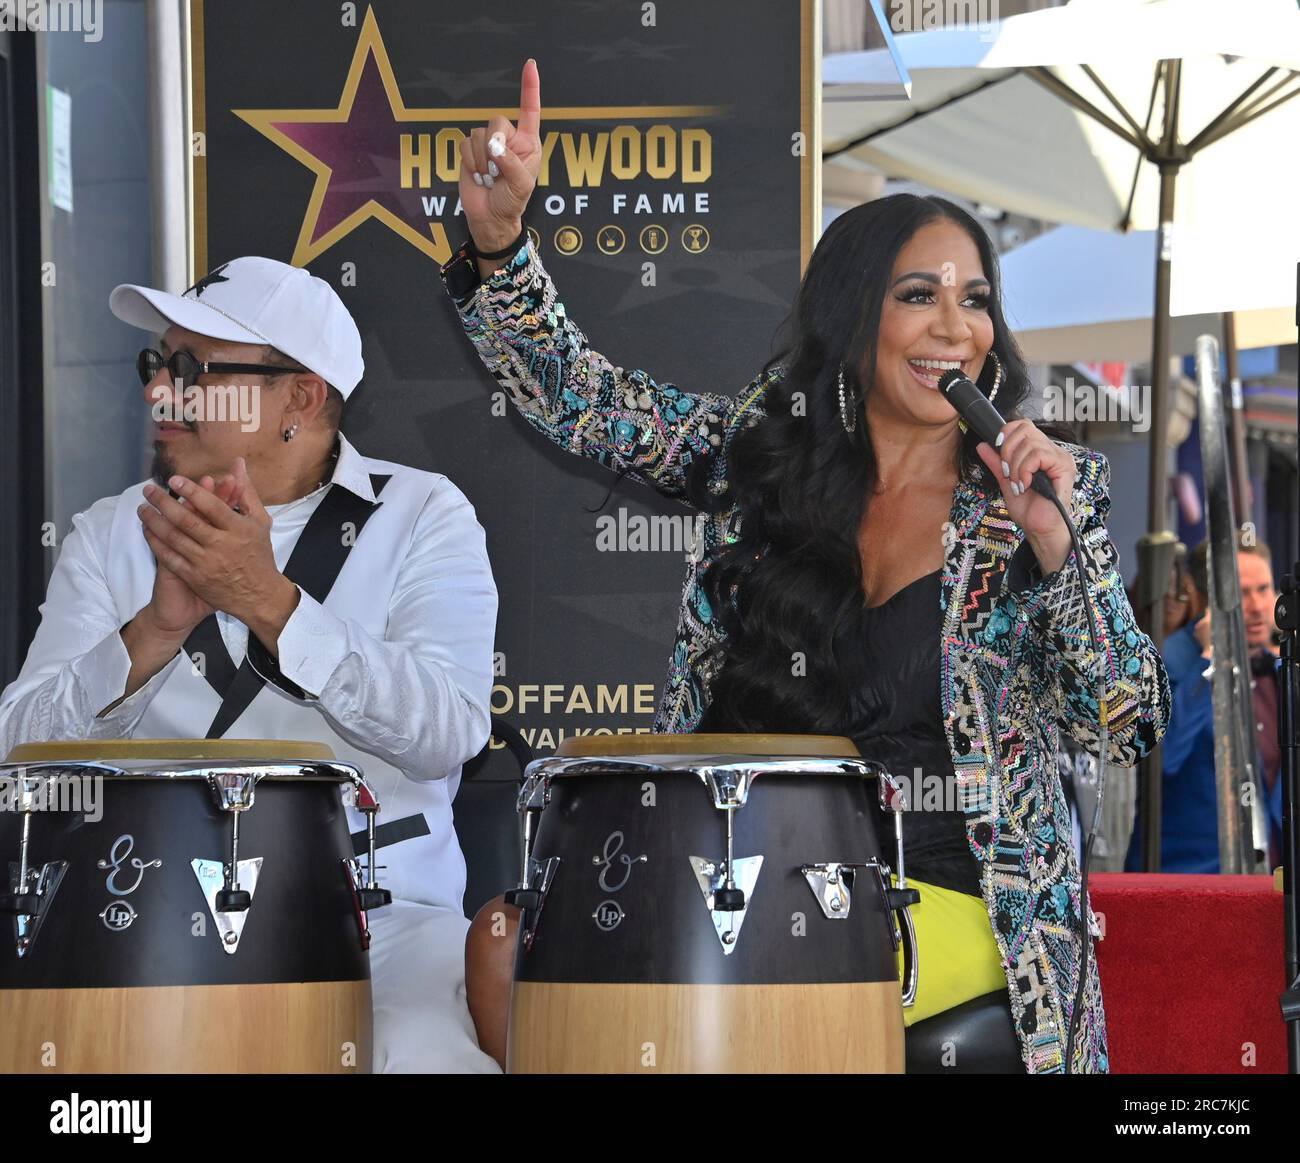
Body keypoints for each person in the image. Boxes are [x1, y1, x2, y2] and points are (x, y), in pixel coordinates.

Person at [445, 61, 1169, 1074]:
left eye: (974, 300)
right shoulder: (766, 451)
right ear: (853, 315)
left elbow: (1126, 714)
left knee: (799, 960)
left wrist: (1053, 544)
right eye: (919, 296)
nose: (955, 327)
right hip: (745, 879)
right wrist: (500, 241)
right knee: (500, 943)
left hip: (949, 907)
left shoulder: (1045, 494)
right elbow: (587, 402)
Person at [0, 257, 500, 1072]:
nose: (161, 392)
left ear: (299, 398)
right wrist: (152, 635)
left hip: (379, 923)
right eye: (157, 364)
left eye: (193, 369)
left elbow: (447, 731)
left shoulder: (421, 516)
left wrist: (272, 602)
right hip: (142, 915)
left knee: (418, 1056)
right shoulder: (111, 531)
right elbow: (16, 750)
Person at [1125, 538, 1283, 872]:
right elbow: (1163, 759)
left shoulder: (1279, 670)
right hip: (1183, 881)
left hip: (1265, 883)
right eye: (1243, 592)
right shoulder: (1169, 661)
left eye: (1264, 589)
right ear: (1208, 599)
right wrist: (1210, 660)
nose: (1256, 605)